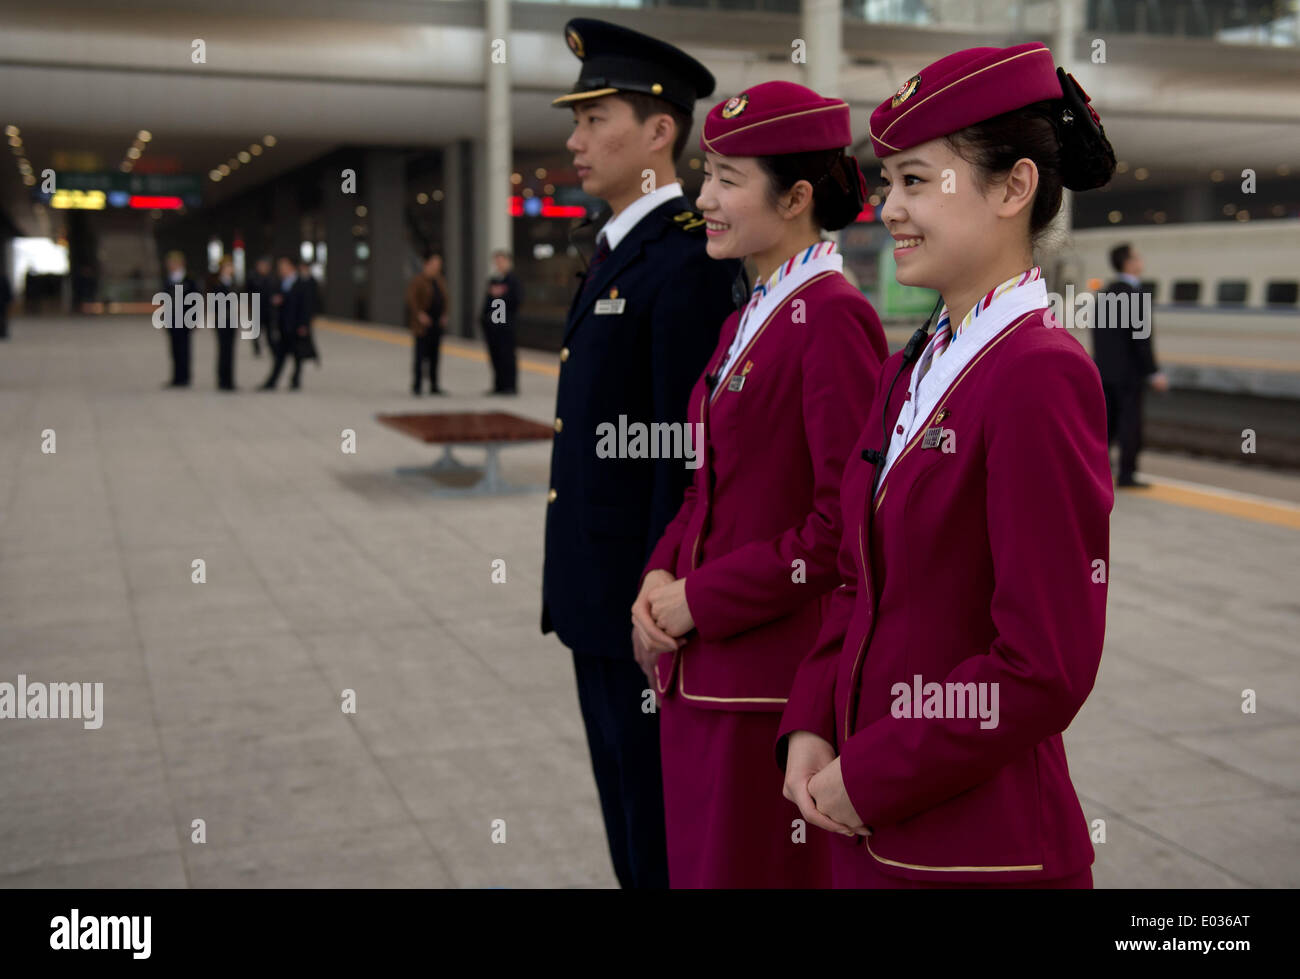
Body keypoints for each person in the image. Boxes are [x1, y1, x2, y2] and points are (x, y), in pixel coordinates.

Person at [778, 42, 1117, 888]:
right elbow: (855, 576)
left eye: (917, 181)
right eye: (888, 183)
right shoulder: (916, 361)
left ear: (1013, 188)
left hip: (974, 847)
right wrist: (814, 717)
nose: (887, 208)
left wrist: (875, 771)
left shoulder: (1039, 372)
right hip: (865, 820)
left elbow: (1044, 666)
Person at [630, 81, 889, 888]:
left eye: (727, 179)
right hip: (700, 677)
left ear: (798, 197)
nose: (704, 197)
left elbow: (838, 530)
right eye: (707, 174)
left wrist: (699, 598)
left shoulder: (834, 316)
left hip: (763, 694)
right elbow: (703, 482)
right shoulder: (749, 315)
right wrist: (658, 574)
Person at [541, 17, 741, 889]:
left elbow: (686, 454)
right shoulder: (622, 251)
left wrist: (660, 599)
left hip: (642, 609)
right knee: (625, 808)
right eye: (576, 121)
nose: (574, 140)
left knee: (656, 824)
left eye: (595, 119)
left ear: (660, 131)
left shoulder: (686, 260)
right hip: (598, 595)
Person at [1093, 243, 1167, 487]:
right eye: (1137, 257)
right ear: (1128, 263)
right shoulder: (1136, 296)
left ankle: (1097, 469)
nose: (1141, 260)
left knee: (1107, 424)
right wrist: (1153, 372)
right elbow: (1141, 340)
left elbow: (1099, 335)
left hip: (1104, 371)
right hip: (1129, 374)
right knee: (1129, 424)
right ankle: (1127, 474)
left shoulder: (1104, 294)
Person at [260, 256, 309, 390]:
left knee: (297, 355)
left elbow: (306, 306)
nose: (281, 269)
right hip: (284, 326)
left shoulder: (301, 283)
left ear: (291, 267)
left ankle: (294, 380)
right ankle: (274, 381)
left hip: (295, 326)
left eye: (283, 266)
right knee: (281, 355)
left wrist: (304, 325)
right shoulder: (280, 282)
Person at [406, 251, 448, 395]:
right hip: (423, 325)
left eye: (439, 265)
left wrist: (444, 314)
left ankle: (434, 385)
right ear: (427, 264)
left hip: (436, 324)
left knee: (435, 356)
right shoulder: (418, 281)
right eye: (435, 264)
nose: (437, 267)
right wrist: (419, 314)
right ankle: (417, 385)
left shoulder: (440, 280)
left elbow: (446, 299)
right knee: (420, 356)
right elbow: (411, 300)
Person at [480, 249, 522, 395]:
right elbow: (487, 303)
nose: (499, 264)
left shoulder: (513, 281)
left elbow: (516, 301)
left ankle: (510, 386)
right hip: (493, 326)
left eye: (501, 261)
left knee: (508, 356)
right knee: (495, 355)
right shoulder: (493, 281)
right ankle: (498, 385)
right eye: (496, 262)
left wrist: (502, 295)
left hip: (506, 325)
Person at [160, 251, 197, 387]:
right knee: (174, 349)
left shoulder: (189, 279)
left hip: (185, 318)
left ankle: (185, 377)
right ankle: (176, 377)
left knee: (184, 349)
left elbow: (195, 300)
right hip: (172, 319)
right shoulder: (168, 279)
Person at [209, 255, 238, 391]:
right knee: (223, 351)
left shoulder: (232, 283)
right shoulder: (217, 284)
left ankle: (229, 380)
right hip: (222, 320)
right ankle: (222, 380)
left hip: (232, 320)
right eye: (228, 266)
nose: (230, 269)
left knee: (230, 351)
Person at [247, 256, 276, 358]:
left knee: (270, 331)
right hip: (256, 307)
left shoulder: (271, 278)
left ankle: (272, 348)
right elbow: (247, 291)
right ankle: (257, 348)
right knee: (256, 331)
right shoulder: (253, 278)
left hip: (268, 309)